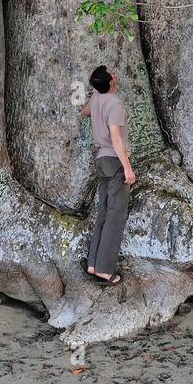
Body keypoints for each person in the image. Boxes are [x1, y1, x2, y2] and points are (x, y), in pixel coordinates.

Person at [80, 65, 135, 285]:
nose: (116, 72)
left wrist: (96, 94)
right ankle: (104, 269)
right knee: (116, 215)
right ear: (111, 81)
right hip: (114, 161)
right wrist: (128, 168)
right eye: (113, 71)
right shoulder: (115, 104)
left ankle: (93, 262)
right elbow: (116, 139)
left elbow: (84, 112)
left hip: (101, 161)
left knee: (103, 211)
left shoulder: (96, 101)